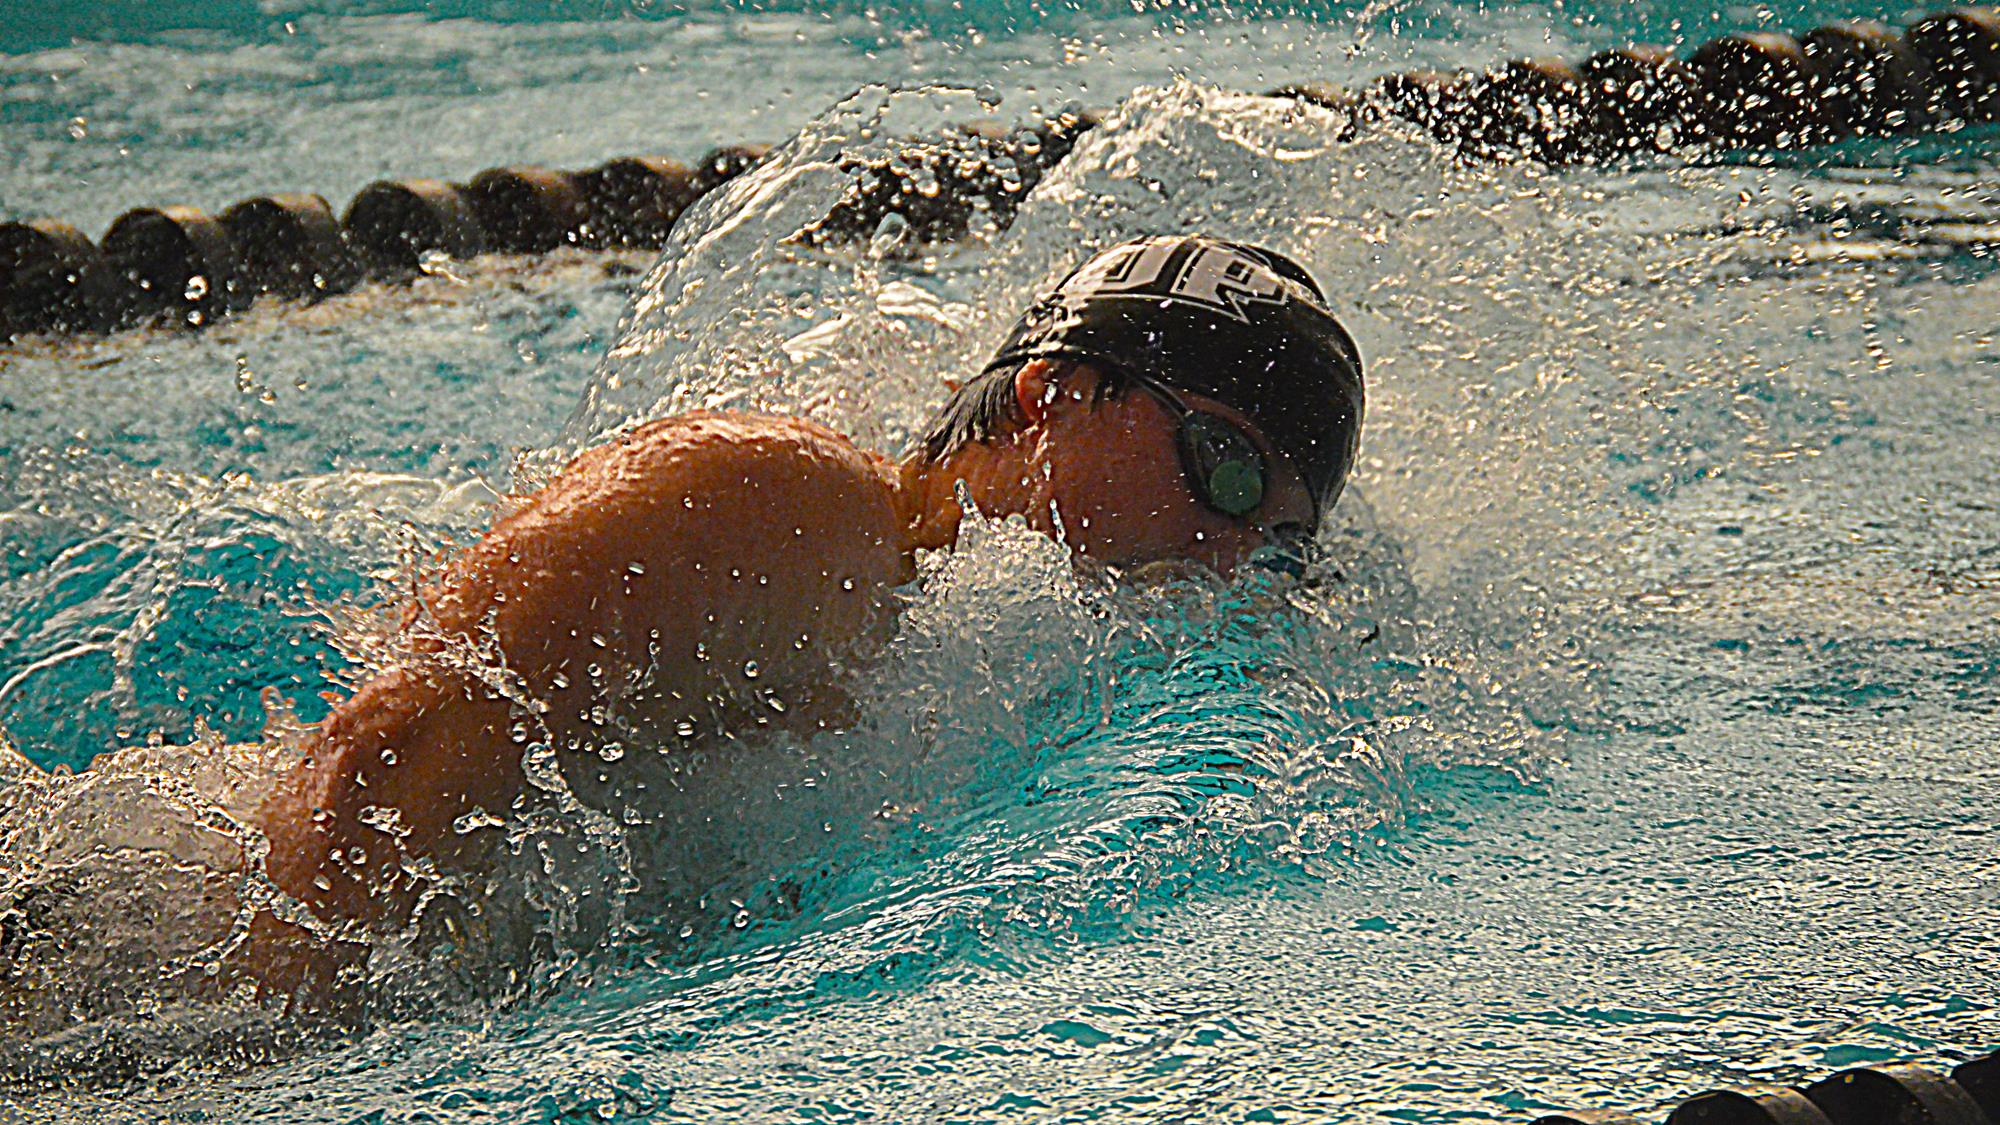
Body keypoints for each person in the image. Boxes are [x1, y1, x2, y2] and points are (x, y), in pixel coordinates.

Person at [243, 234, 1365, 1003]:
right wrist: (285, 1057)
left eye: (1276, 543)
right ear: (1051, 390)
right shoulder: (782, 506)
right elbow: (384, 757)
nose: (1229, 558)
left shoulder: (976, 672)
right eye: (1224, 469)